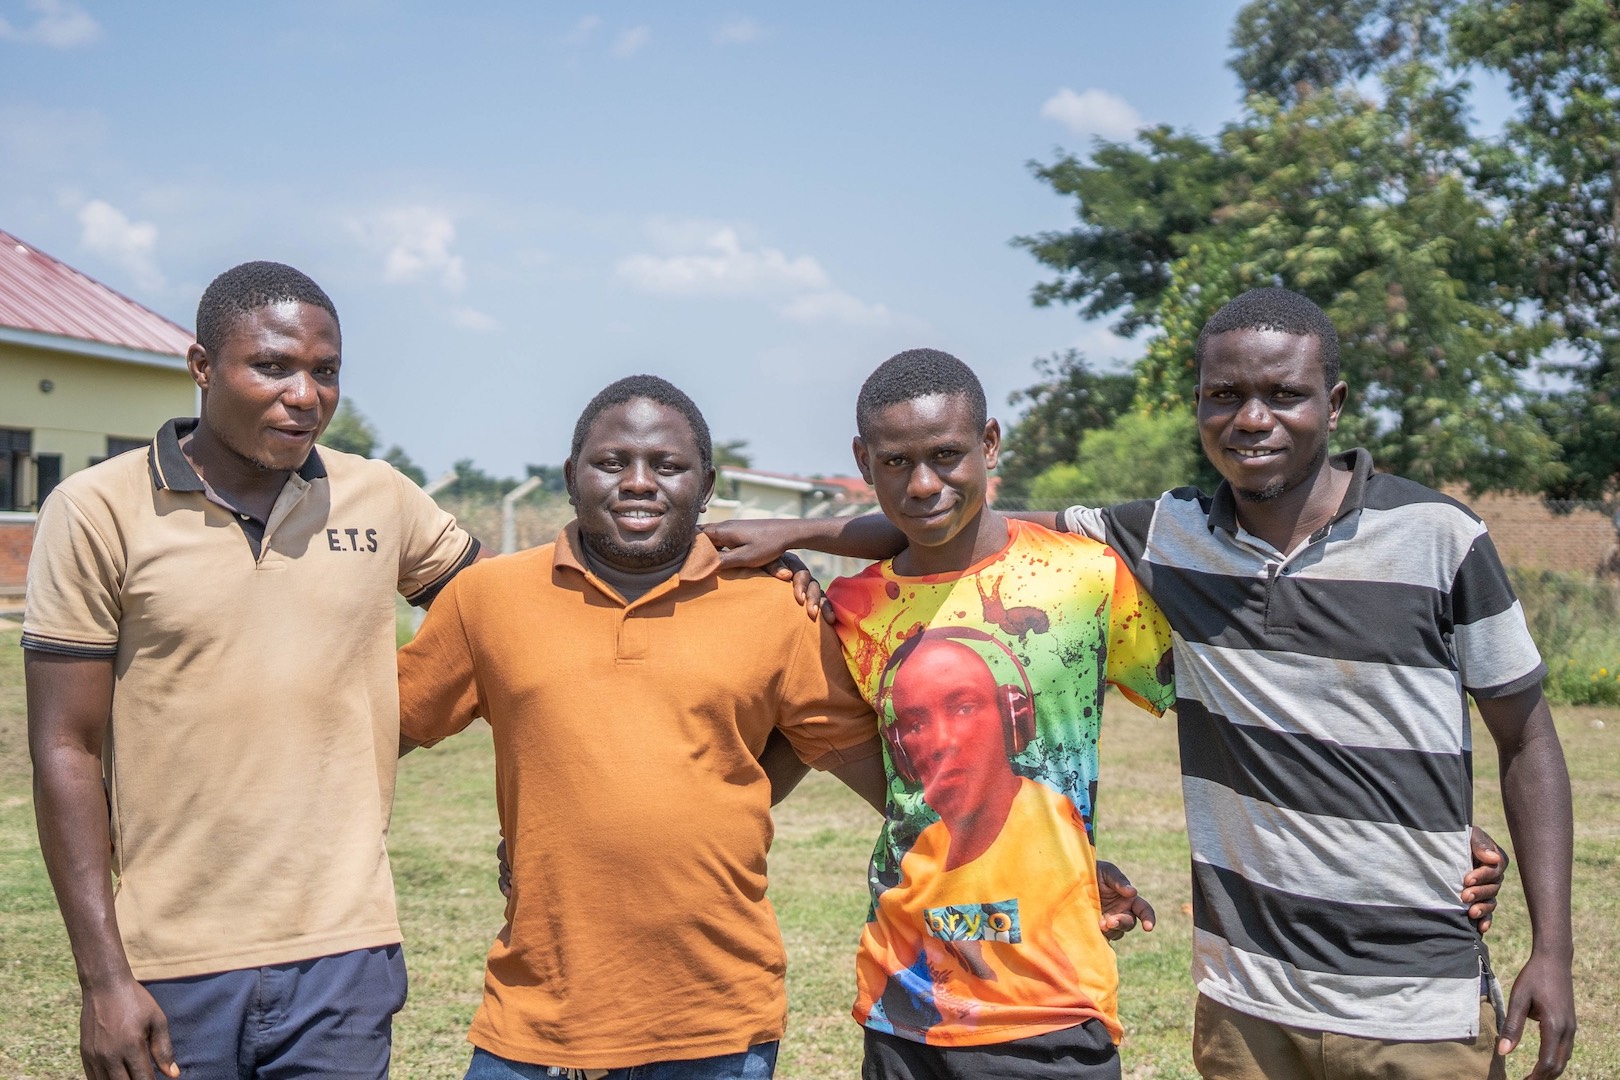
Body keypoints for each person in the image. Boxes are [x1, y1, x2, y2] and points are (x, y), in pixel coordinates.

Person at [707, 291, 1567, 1079]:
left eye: (1284, 394)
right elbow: (956, 524)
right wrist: (803, 529)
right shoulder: (1167, 536)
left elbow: (1524, 735)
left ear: (1332, 405)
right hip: (1244, 996)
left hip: (1412, 994)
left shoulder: (1435, 535)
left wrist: (1530, 926)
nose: (1251, 418)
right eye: (1223, 395)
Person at [25, 261, 482, 1080]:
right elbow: (65, 747)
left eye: (325, 371)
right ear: (202, 368)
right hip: (169, 960)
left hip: (345, 952)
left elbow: (505, 612)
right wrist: (103, 980)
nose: (305, 395)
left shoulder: (379, 497)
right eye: (272, 366)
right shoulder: (98, 509)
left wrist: (395, 715)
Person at [393, 375, 889, 1080]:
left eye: (666, 465)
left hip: (715, 1020)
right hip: (536, 1019)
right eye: (611, 462)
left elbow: (889, 777)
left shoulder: (777, 607)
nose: (637, 482)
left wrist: (1052, 859)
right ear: (571, 477)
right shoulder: (487, 599)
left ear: (706, 483)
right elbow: (372, 740)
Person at [822, 349, 1178, 1079]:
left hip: (1056, 1004)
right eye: (895, 462)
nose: (923, 484)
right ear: (864, 460)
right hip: (906, 1007)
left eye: (947, 455)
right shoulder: (849, 612)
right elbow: (878, 778)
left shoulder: (1083, 578)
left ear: (989, 444)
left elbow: (1217, 710)